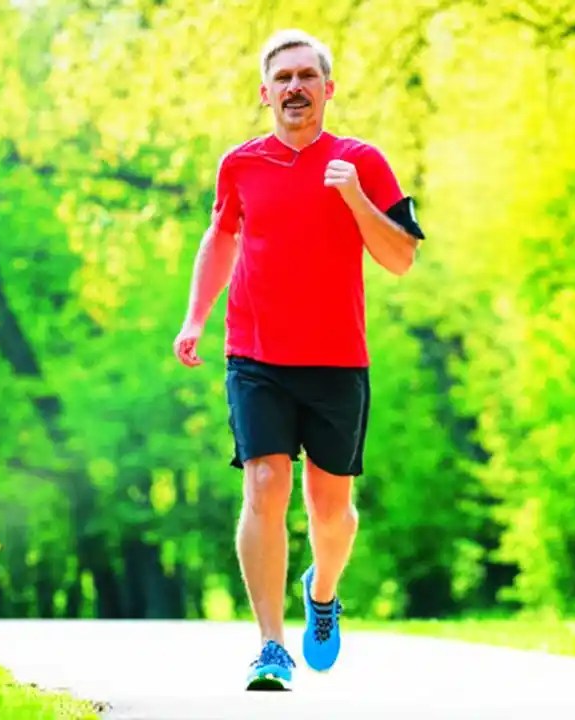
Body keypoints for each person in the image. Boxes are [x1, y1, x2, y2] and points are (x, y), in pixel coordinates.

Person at [172, 28, 425, 691]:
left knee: (331, 512)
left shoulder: (361, 161)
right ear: (264, 93)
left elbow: (400, 259)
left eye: (306, 76)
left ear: (327, 89)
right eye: (282, 78)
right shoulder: (241, 165)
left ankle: (323, 590)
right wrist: (195, 316)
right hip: (255, 354)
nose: (294, 87)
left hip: (338, 361)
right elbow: (221, 236)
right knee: (263, 484)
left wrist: (354, 197)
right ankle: (270, 646)